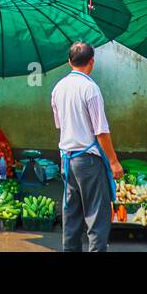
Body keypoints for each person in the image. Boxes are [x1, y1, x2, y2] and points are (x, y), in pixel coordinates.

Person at [50, 41, 122, 253]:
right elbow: (101, 131)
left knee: (72, 215)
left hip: (67, 160)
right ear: (92, 62)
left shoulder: (58, 88)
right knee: (96, 218)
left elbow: (59, 125)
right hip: (88, 162)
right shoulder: (90, 88)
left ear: (69, 61)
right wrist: (114, 161)